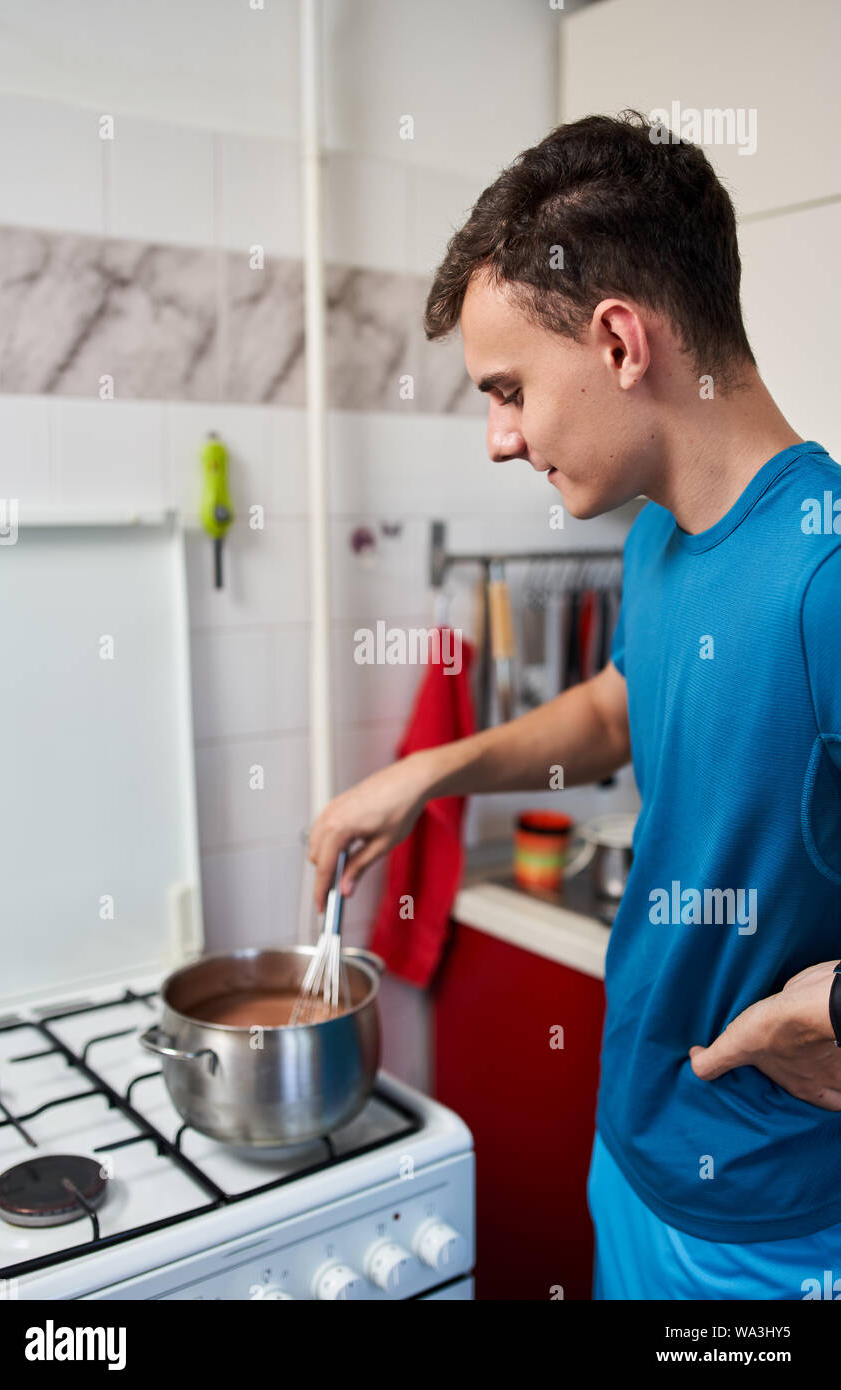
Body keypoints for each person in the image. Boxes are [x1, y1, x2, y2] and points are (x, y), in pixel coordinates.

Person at [307, 111, 841, 1300]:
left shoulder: (824, 575)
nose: (498, 439)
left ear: (615, 342)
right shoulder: (661, 534)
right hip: (635, 1155)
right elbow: (621, 704)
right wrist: (426, 770)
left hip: (775, 1236)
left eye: (505, 390)